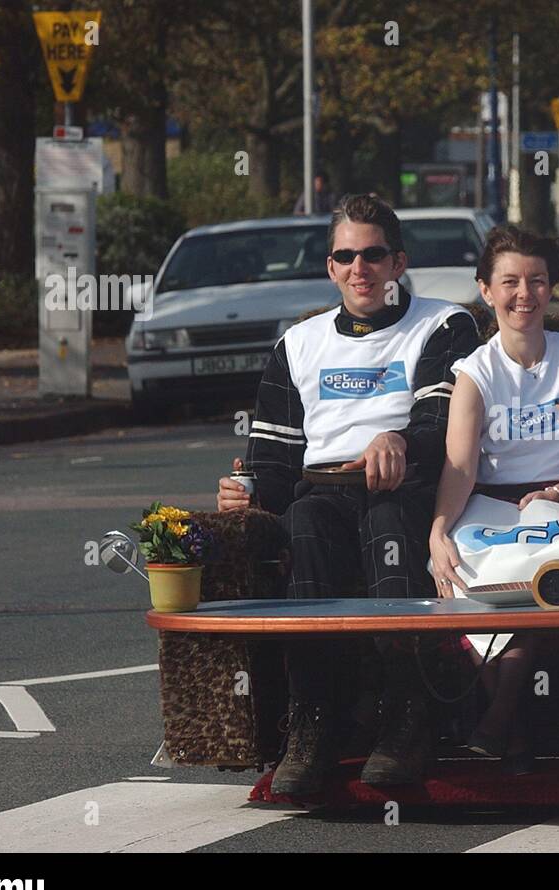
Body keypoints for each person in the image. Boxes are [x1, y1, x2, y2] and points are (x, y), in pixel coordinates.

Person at [216, 194, 481, 794]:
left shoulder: (445, 323)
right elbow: (274, 463)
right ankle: (314, 719)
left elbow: (444, 423)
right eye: (346, 257)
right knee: (302, 522)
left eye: (373, 255)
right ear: (330, 268)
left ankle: (405, 718)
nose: (360, 269)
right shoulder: (299, 342)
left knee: (387, 522)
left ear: (398, 263)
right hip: (324, 491)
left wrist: (400, 440)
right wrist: (247, 488)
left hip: (406, 489)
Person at [428, 225, 559, 774]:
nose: (523, 294)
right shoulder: (475, 372)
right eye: (509, 282)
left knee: (533, 584)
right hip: (493, 511)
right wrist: (438, 531)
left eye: (537, 281)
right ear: (485, 290)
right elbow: (459, 465)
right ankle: (514, 729)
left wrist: (558, 492)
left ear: (552, 289)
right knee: (468, 580)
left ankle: (500, 724)